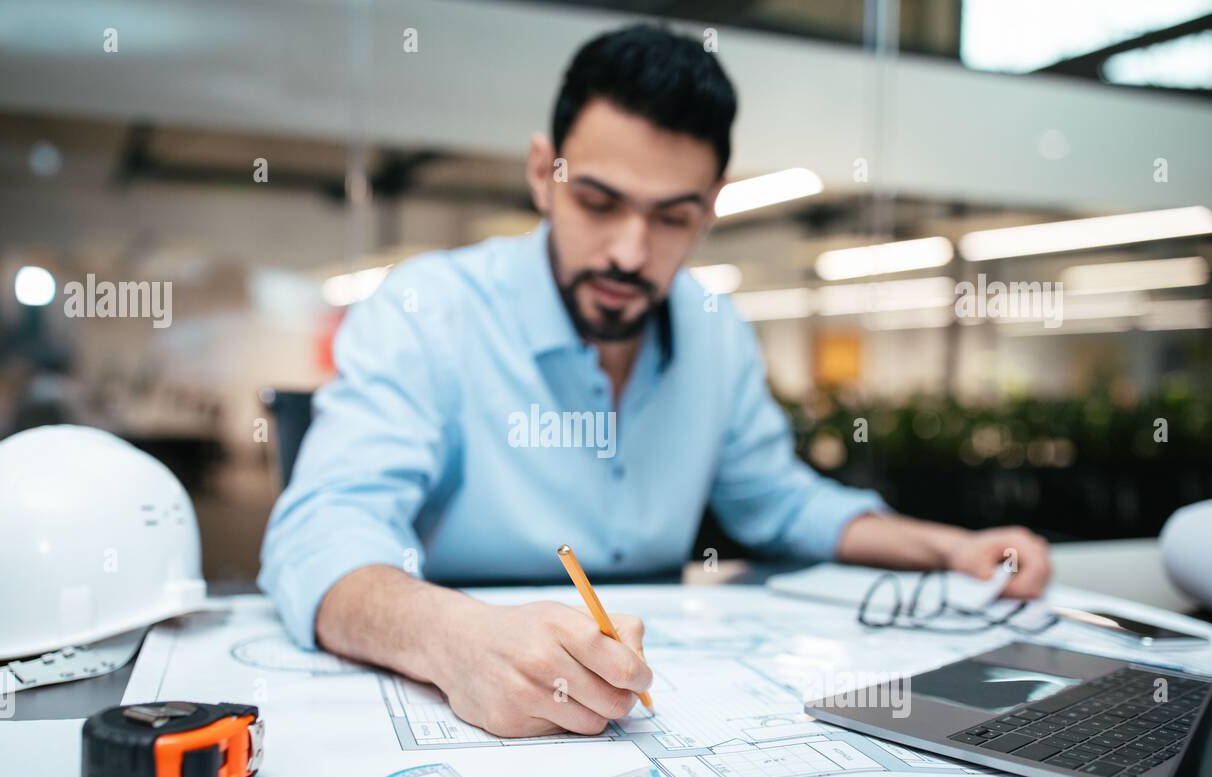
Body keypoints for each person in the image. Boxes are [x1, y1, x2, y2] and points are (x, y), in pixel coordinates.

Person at [260, 24, 1051, 739]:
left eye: (671, 217)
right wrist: (454, 636)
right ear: (544, 173)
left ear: (709, 209)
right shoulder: (428, 311)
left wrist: (954, 549)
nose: (630, 254)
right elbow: (321, 532)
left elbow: (779, 500)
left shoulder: (714, 329)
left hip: (657, 715)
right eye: (598, 202)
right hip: (473, 717)